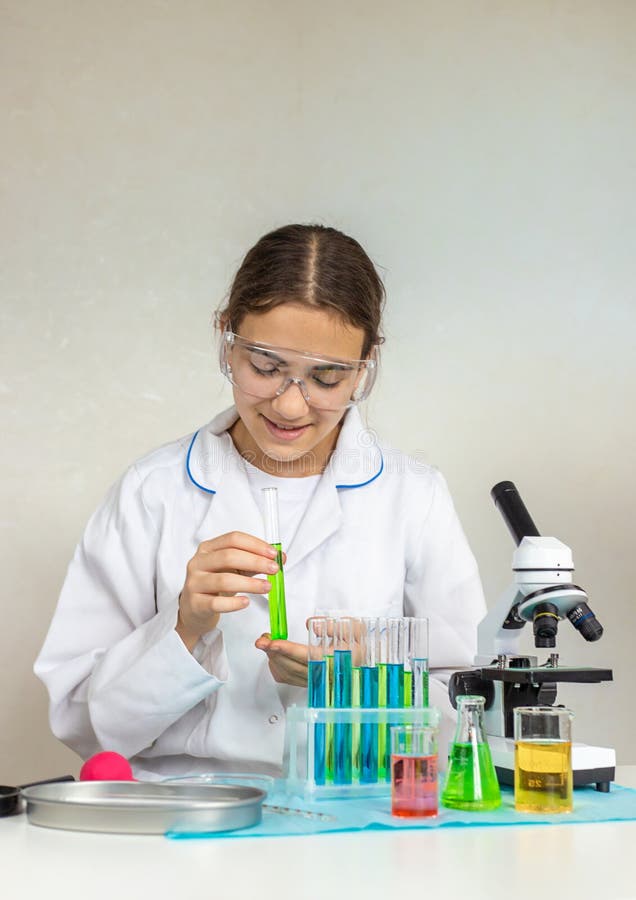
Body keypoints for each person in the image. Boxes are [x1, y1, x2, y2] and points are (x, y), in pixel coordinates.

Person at [35, 224, 486, 779]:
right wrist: (184, 627)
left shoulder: (412, 496)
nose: (291, 405)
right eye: (266, 368)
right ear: (227, 338)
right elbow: (84, 726)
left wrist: (366, 678)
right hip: (185, 815)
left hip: (355, 817)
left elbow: (472, 714)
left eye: (327, 377)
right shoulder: (153, 492)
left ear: (366, 363)